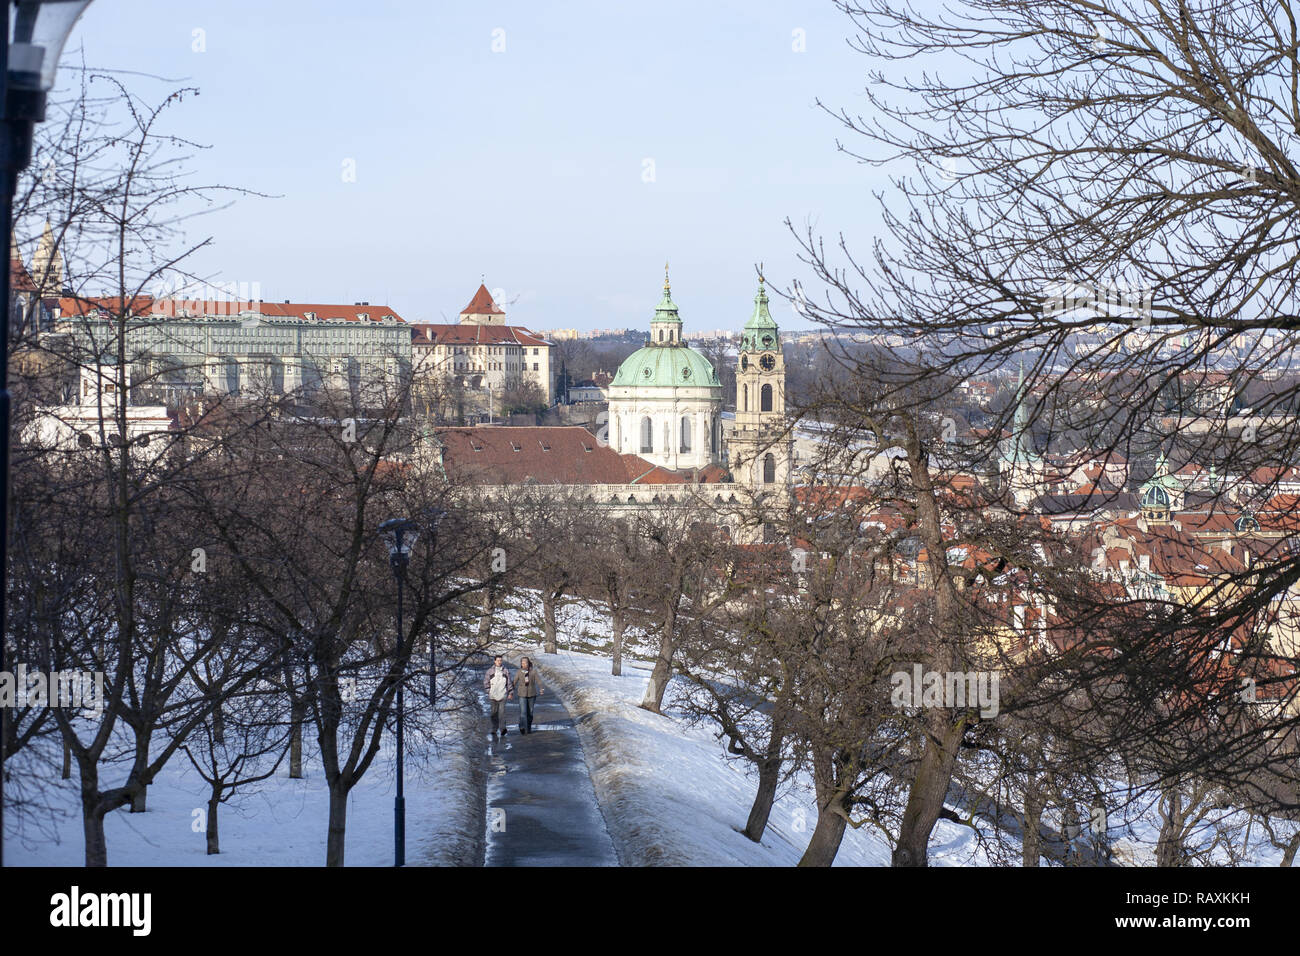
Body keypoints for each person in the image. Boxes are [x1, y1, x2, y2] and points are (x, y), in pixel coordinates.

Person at [483, 655, 514, 736]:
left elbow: (509, 682)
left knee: (502, 713)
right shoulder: (490, 671)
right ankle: (494, 728)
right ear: (494, 661)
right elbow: (486, 682)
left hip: (503, 694)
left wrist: (510, 692)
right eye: (498, 660)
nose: (499, 662)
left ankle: (503, 728)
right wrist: (488, 691)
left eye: (500, 660)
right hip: (493, 695)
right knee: (494, 713)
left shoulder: (505, 671)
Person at [515, 657, 543, 734]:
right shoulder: (519, 672)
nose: (524, 664)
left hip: (532, 694)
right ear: (521, 664)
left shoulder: (533, 672)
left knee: (530, 713)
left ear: (528, 663)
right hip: (522, 694)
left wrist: (541, 688)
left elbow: (539, 681)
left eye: (525, 662)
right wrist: (510, 690)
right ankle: (522, 727)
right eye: (522, 663)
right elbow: (514, 682)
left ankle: (529, 726)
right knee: (523, 712)